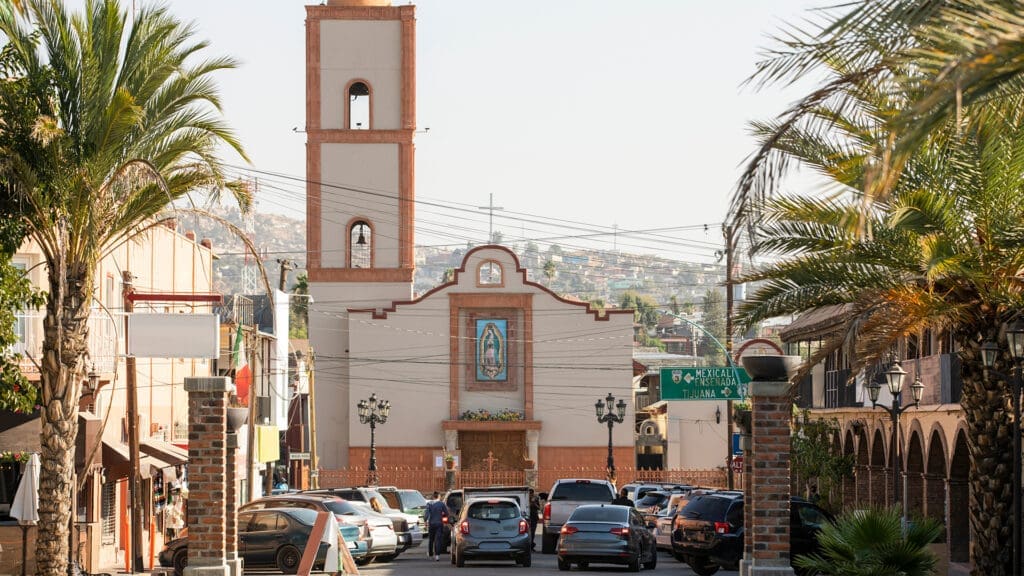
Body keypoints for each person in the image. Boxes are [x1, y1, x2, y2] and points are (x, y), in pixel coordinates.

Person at [424, 491, 450, 561]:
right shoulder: (441, 504)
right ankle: (437, 555)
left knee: (431, 539)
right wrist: (447, 519)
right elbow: (447, 513)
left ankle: (430, 554)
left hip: (431, 524)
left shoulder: (429, 504)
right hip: (439, 523)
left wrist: (425, 521)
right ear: (438, 496)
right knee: (438, 539)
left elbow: (426, 514)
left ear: (433, 496)